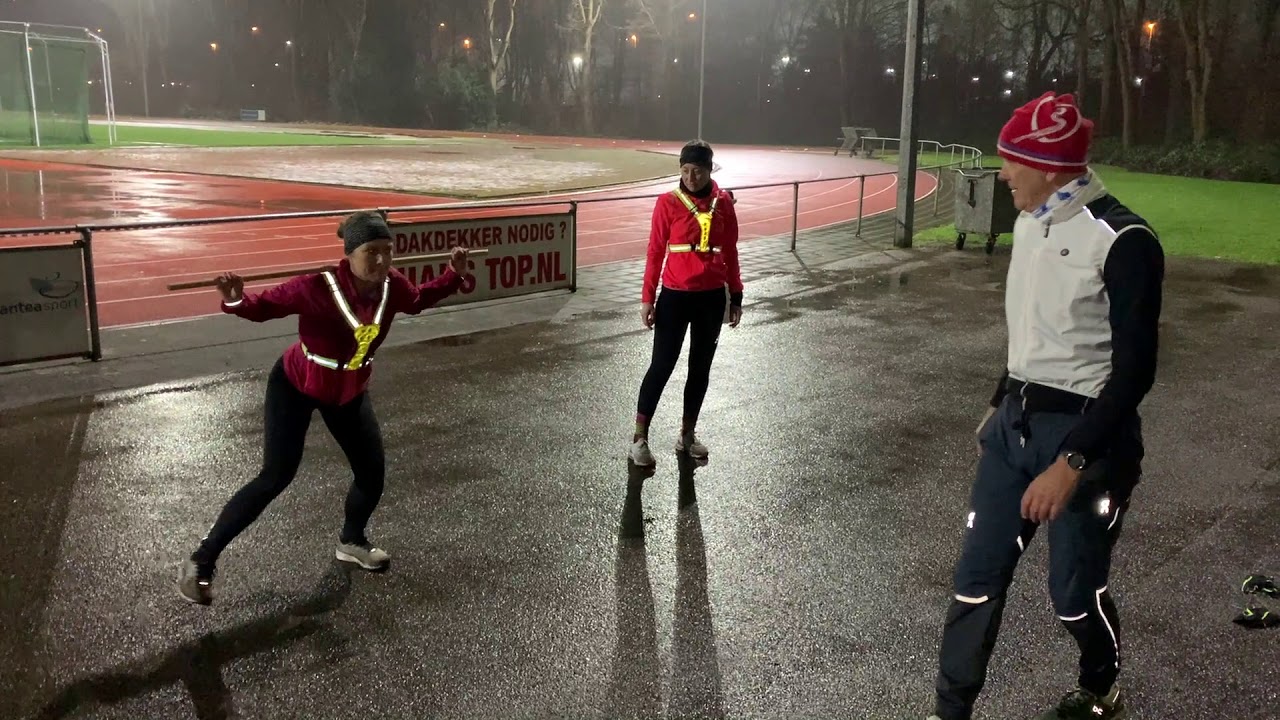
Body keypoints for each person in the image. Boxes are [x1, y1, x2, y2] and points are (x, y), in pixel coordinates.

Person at [927, 92, 1164, 720]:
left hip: (1089, 438)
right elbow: (1031, 334)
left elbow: (1136, 372)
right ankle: (950, 712)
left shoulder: (1124, 239)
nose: (1001, 175)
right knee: (975, 583)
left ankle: (1100, 680)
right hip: (1014, 427)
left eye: (1011, 161)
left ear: (1052, 167)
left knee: (1072, 597)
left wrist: (1073, 461)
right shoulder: (1030, 221)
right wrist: (999, 403)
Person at [177, 210, 470, 606]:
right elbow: (262, 307)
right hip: (297, 384)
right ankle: (201, 562)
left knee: (372, 473)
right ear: (349, 254)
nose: (382, 261)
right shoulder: (316, 287)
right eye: (371, 251)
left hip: (347, 391)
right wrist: (235, 300)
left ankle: (351, 541)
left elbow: (417, 301)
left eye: (388, 251)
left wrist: (452, 275)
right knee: (275, 477)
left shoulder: (392, 285)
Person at [629, 139, 744, 467]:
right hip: (676, 296)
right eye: (685, 170)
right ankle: (639, 439)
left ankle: (687, 435)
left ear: (709, 170)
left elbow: (732, 251)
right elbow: (654, 252)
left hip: (710, 298)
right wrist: (647, 298)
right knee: (662, 366)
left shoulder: (724, 204)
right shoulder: (667, 203)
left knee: (700, 369)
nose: (691, 177)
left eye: (697, 171)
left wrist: (736, 295)